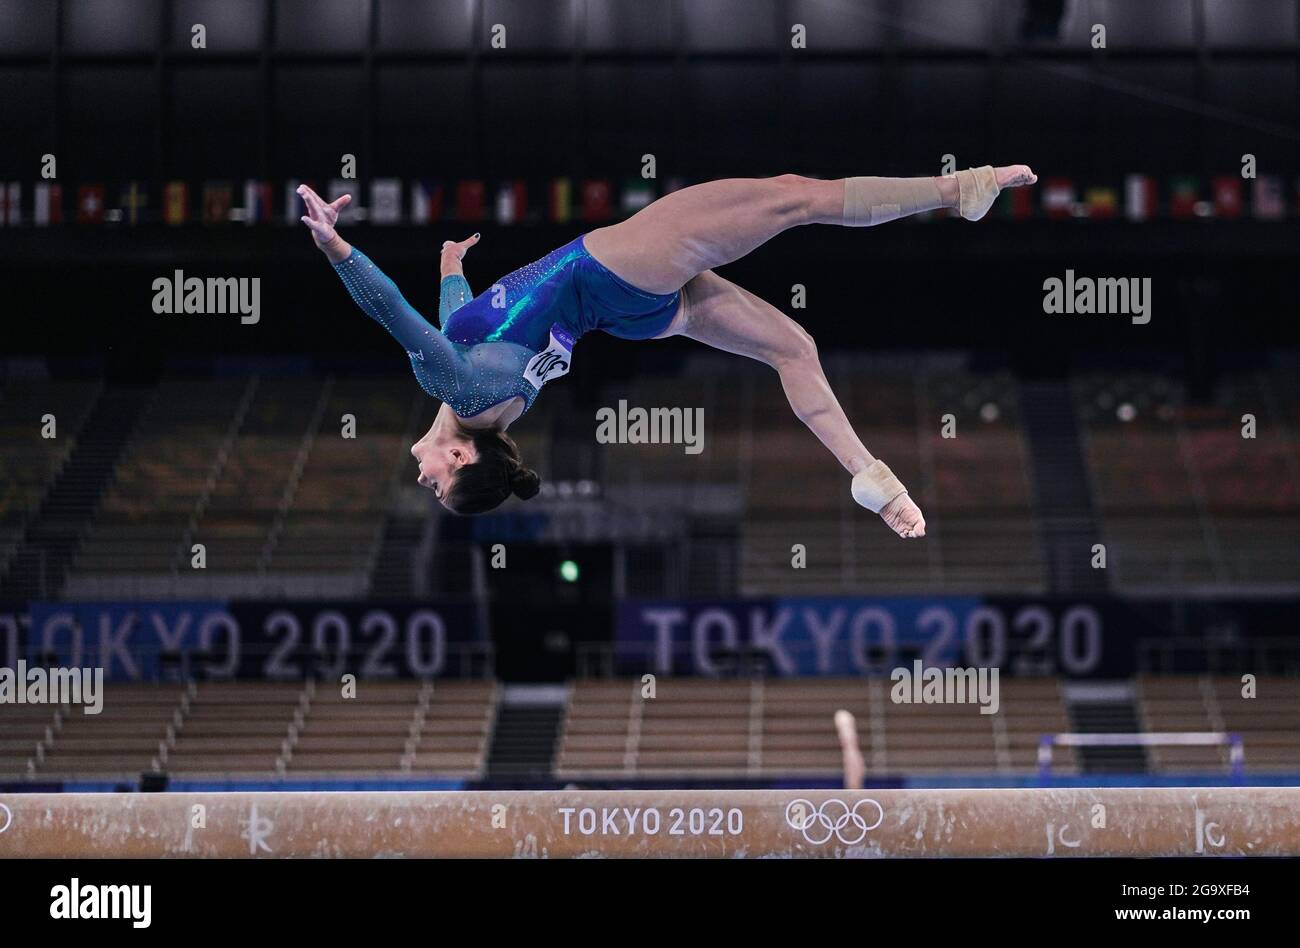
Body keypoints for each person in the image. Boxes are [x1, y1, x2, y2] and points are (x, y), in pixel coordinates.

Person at [299, 164, 1036, 532]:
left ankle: (875, 481)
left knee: (793, 347)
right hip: (615, 268)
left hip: (631, 315)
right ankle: (958, 191)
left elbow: (457, 325)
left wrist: (452, 268)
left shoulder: (467, 392)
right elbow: (391, 312)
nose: (418, 471)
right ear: (460, 458)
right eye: (434, 482)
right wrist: (335, 246)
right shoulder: (461, 393)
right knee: (793, 197)